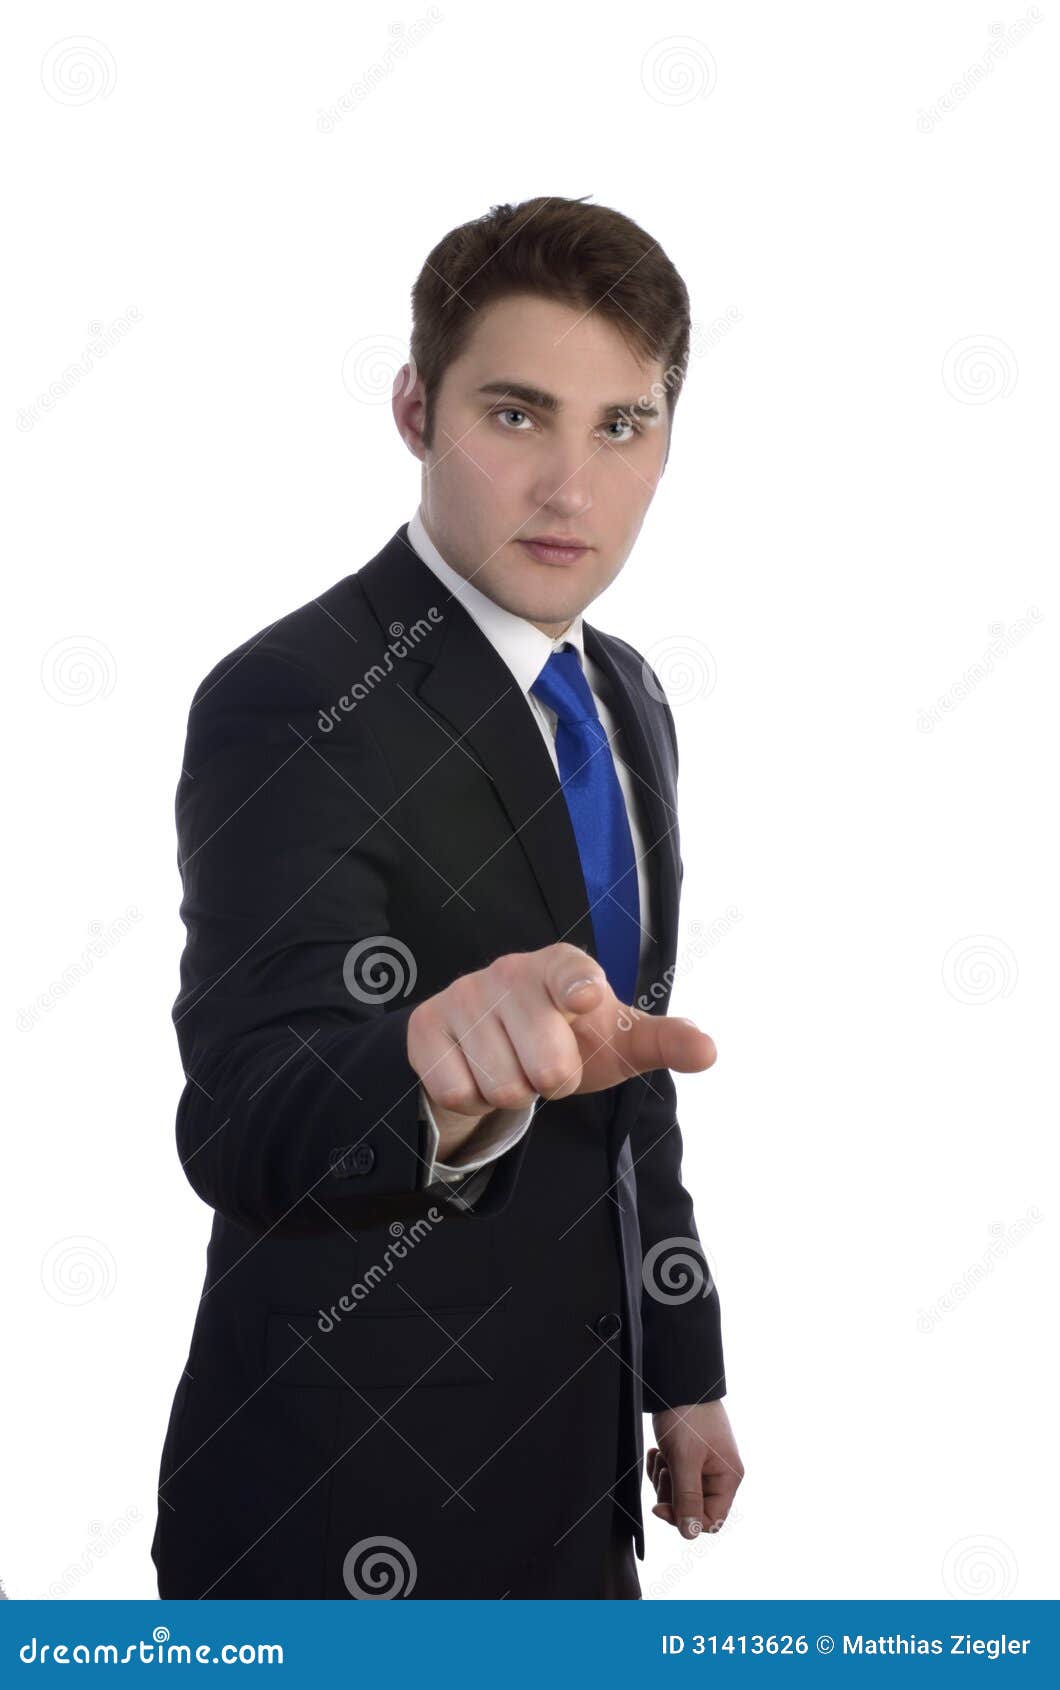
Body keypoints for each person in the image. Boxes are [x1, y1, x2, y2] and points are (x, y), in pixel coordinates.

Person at [151, 194, 744, 1600]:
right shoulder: (296, 697)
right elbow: (244, 1109)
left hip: (576, 1488)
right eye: (517, 414)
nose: (571, 490)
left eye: (622, 426)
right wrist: (427, 1079)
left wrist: (682, 1364)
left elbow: (626, 1071)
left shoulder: (626, 696)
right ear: (416, 409)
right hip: (343, 1498)